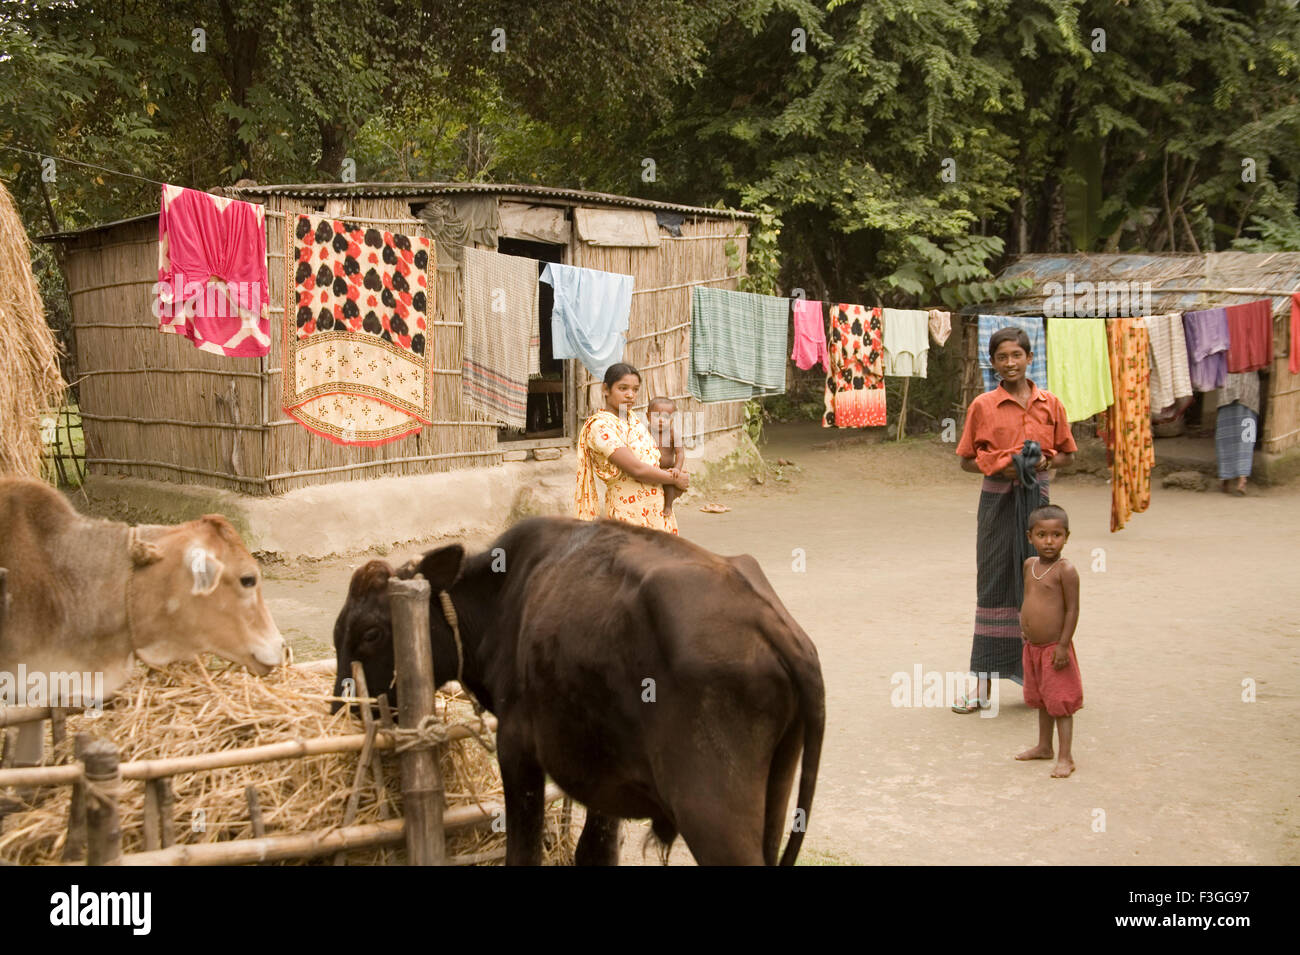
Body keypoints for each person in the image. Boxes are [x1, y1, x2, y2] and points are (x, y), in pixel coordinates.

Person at [952, 327, 1077, 713]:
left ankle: (1041, 685)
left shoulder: (1050, 404)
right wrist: (999, 466)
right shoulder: (983, 406)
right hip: (996, 504)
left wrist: (1045, 461)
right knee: (993, 585)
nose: (1010, 363)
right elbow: (965, 460)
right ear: (993, 362)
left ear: (1029, 358)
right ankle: (981, 688)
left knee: (1039, 586)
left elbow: (1069, 455)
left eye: (1016, 355)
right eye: (1002, 357)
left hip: (1037, 504)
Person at [575, 363, 688, 534]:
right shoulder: (600, 427)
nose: (630, 395)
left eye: (635, 390)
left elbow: (653, 464)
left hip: (657, 509)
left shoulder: (633, 420)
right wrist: (673, 479)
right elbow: (636, 469)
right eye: (623, 388)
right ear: (606, 389)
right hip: (628, 511)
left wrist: (674, 480)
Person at [1014, 504, 1083, 778]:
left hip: (1055, 649)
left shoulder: (1066, 570)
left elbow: (1072, 609)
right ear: (1030, 537)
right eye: (1042, 535)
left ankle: (1066, 756)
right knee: (1043, 699)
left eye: (1056, 535)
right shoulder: (1029, 565)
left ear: (1067, 536)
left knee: (1061, 703)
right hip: (1033, 647)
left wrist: (1064, 645)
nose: (1049, 541)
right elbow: (1030, 599)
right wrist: (1026, 626)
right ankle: (1044, 746)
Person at [1215, 371, 1260, 496]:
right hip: (1244, 390)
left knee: (1225, 437)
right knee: (1245, 438)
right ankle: (1241, 478)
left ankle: (1227, 478)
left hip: (1229, 388)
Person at [647, 396, 685, 518]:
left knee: (669, 486)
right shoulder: (644, 431)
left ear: (672, 420)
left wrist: (677, 469)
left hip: (667, 469)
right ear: (648, 416)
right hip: (650, 470)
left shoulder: (674, 434)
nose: (661, 420)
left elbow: (680, 453)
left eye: (666, 417)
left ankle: (668, 505)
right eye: (657, 416)